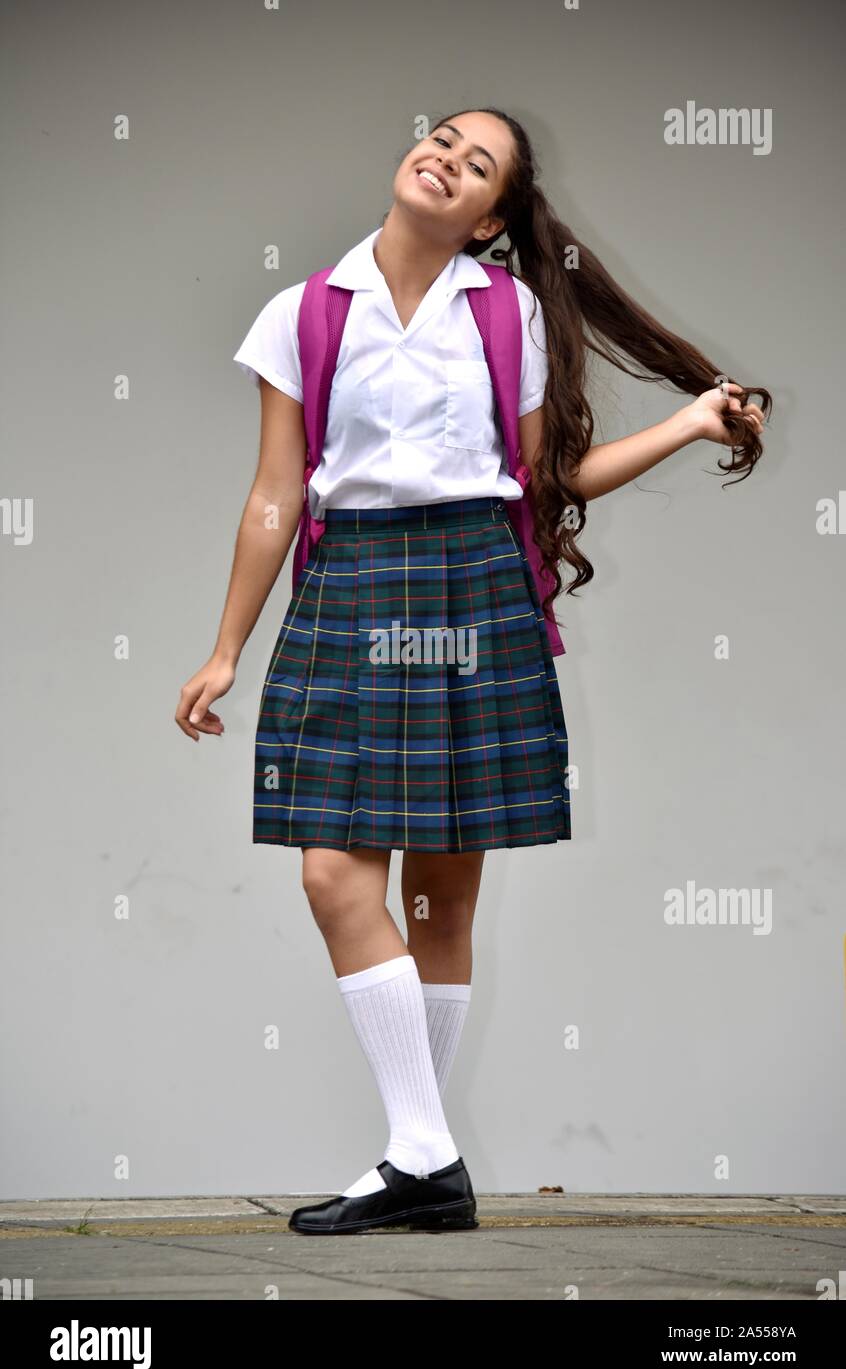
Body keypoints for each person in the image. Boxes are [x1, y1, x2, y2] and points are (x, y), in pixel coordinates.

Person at [175, 108, 770, 1235]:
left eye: (477, 161)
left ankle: (418, 1168)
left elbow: (551, 481)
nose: (445, 154)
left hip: (476, 586)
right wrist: (225, 646)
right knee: (334, 875)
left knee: (439, 899)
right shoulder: (300, 311)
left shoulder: (509, 318)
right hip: (350, 587)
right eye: (442, 135)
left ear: (489, 215)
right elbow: (276, 492)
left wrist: (691, 423)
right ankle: (425, 1154)